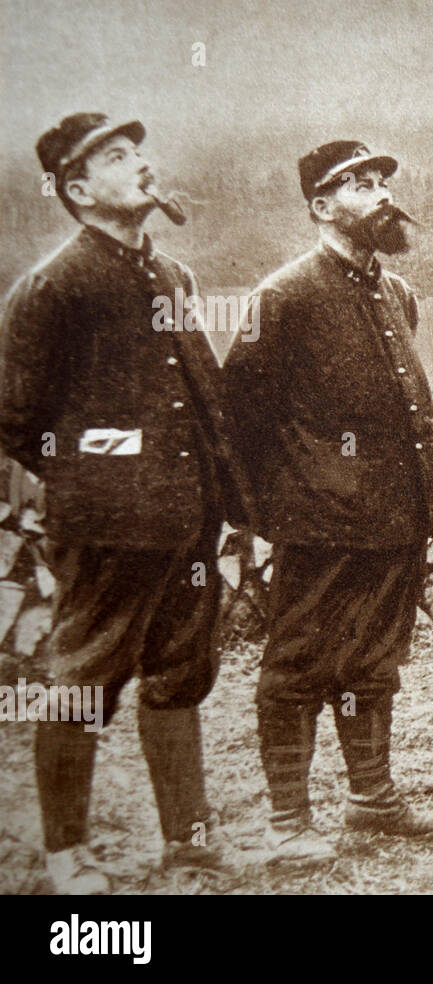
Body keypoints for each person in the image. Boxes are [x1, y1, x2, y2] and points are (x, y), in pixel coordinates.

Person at [0, 113, 241, 892]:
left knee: (178, 676)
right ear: (78, 190)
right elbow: (16, 419)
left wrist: (223, 494)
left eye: (140, 150)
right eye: (115, 156)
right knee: (81, 685)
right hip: (105, 529)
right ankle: (67, 856)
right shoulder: (52, 288)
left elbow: (203, 390)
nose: (140, 164)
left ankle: (190, 845)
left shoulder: (170, 276)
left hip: (184, 523)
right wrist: (104, 471)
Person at [224, 140, 433, 864]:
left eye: (382, 180)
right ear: (322, 208)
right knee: (298, 663)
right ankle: (289, 821)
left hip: (396, 516)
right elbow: (239, 413)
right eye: (358, 184)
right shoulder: (283, 296)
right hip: (320, 526)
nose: (382, 193)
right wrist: (286, 504)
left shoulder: (396, 293)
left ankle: (371, 799)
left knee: (373, 661)